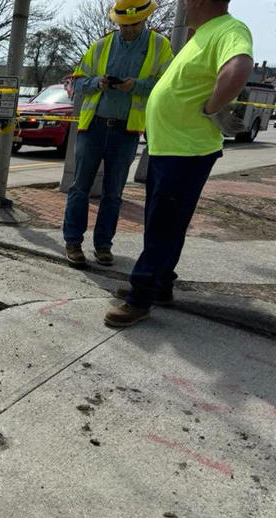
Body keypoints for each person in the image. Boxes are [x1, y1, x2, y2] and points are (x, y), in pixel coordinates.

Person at [105, 0, 253, 327]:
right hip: (170, 148)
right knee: (165, 223)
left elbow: (239, 68)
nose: (182, 3)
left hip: (187, 151)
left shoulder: (230, 30)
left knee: (163, 225)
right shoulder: (202, 34)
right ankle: (158, 285)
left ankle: (140, 298)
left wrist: (214, 106)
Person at [64, 0, 173, 268]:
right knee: (80, 187)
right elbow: (75, 81)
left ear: (145, 19)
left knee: (113, 193)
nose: (127, 30)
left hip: (126, 130)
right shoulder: (102, 45)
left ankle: (103, 245)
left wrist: (136, 86)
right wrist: (97, 82)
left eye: (133, 25)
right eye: (122, 25)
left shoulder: (160, 46)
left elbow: (167, 84)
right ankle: (73, 241)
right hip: (94, 126)